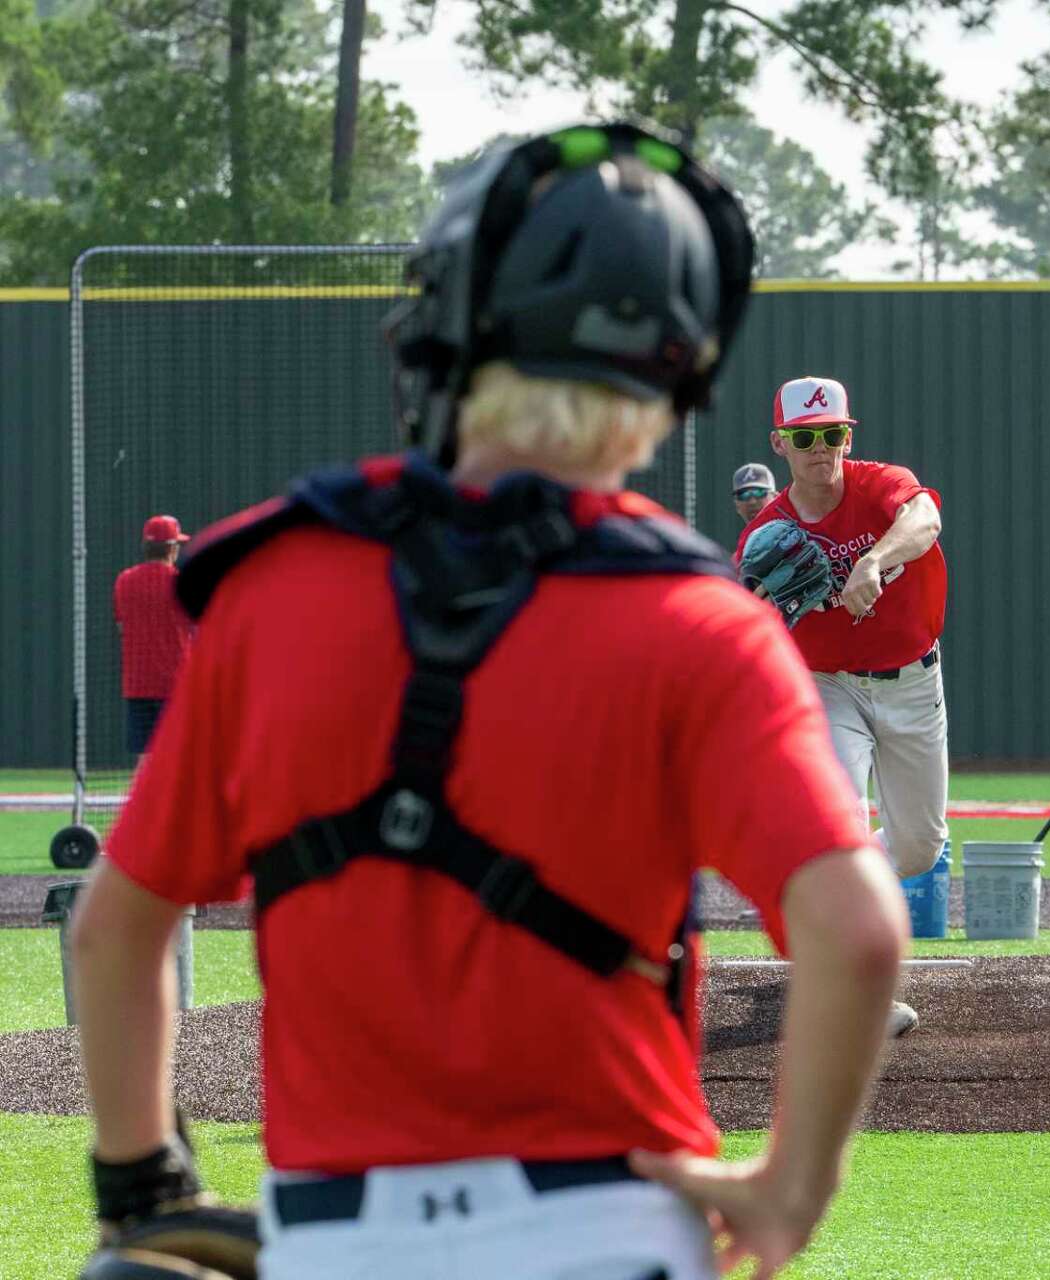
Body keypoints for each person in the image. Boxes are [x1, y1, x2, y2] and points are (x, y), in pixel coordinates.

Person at [69, 123, 908, 1280]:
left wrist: (140, 1180)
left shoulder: (270, 592)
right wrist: (790, 1188)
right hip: (619, 1225)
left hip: (337, 1236)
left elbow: (114, 928)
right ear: (682, 367)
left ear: (446, 321)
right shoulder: (701, 623)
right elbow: (860, 934)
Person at [737, 375, 948, 1037]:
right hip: (828, 688)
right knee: (840, 825)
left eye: (833, 434)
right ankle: (852, 980)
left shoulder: (881, 483)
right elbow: (746, 609)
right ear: (780, 443)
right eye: (805, 438)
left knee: (918, 848)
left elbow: (925, 519)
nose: (821, 449)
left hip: (913, 682)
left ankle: (830, 891)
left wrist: (874, 562)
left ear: (847, 436)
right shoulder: (768, 533)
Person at [112, 515, 193, 763]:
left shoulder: (124, 581)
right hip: (177, 685)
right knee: (181, 758)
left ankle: (145, 803)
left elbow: (120, 626)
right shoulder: (182, 583)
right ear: (171, 548)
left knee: (146, 763)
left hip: (138, 686)